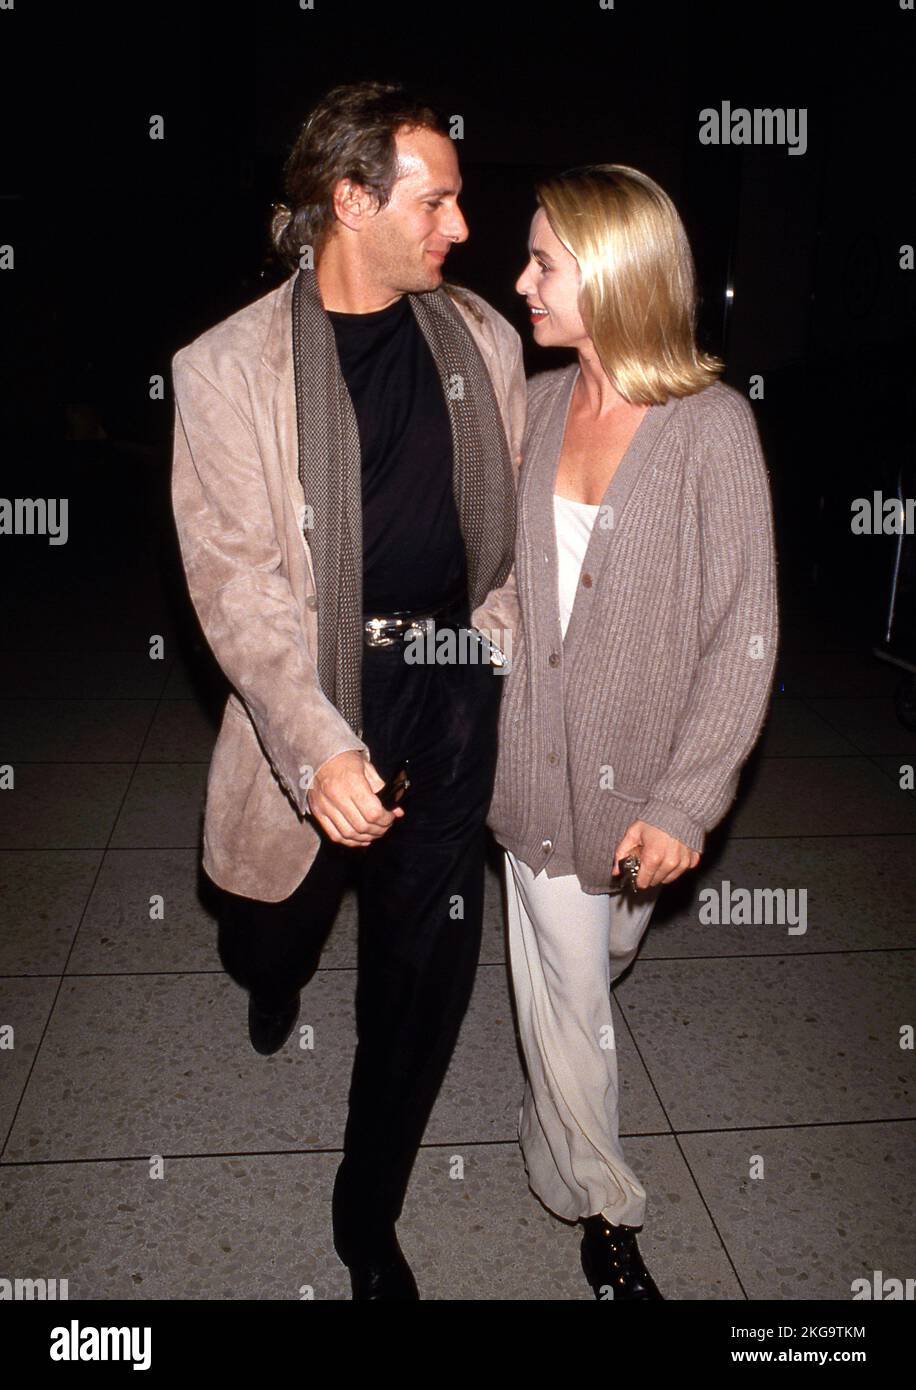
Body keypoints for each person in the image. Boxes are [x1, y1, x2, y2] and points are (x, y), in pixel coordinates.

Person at [169, 82, 524, 1300]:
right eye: (436, 199)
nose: (462, 226)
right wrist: (313, 743)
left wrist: (495, 657)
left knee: (422, 976)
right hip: (315, 698)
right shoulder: (224, 370)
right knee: (277, 922)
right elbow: (237, 586)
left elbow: (511, 543)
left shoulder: (482, 340)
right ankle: (272, 970)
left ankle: (366, 1212)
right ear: (351, 199)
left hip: (449, 687)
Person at [486, 165, 779, 1300]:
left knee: (605, 955)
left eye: (542, 262)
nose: (520, 282)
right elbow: (505, 575)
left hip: (644, 781)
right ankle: (606, 1211)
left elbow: (742, 634)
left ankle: (551, 1104)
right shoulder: (539, 403)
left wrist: (685, 799)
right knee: (572, 993)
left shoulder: (711, 428)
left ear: (608, 276)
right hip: (532, 766)